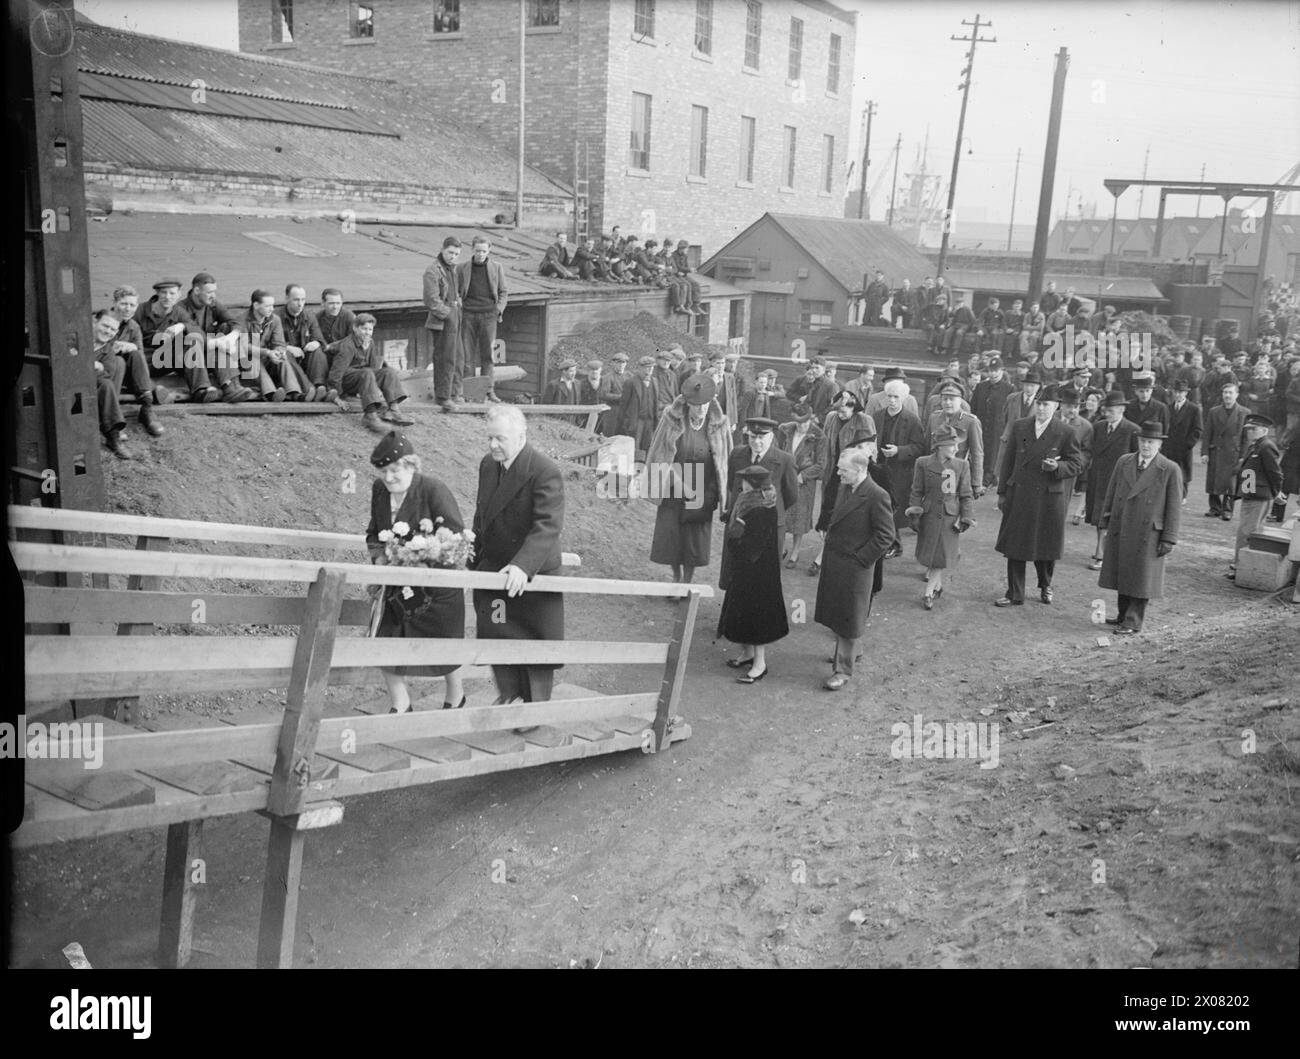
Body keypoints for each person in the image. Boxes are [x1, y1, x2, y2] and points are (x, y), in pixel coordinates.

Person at [365, 430, 467, 713]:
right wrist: (379, 560)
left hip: (436, 587)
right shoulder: (380, 490)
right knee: (384, 642)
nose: (388, 478)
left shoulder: (433, 490)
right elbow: (374, 533)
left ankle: (456, 695)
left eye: (394, 470)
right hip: (397, 586)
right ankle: (401, 703)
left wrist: (420, 554)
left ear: (411, 464)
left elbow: (456, 536)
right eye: (383, 471)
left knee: (444, 646)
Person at [471, 404, 565, 708]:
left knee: (533, 640)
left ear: (521, 436)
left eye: (500, 439)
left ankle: (534, 706)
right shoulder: (488, 465)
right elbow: (483, 514)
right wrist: (472, 553)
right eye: (489, 438)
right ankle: (508, 694)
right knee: (497, 630)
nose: (493, 445)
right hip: (496, 572)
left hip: (531, 574)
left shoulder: (544, 470)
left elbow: (547, 525)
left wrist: (522, 567)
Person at [994, 384, 1085, 606]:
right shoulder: (1020, 426)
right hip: (1020, 494)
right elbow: (1009, 461)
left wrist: (1058, 467)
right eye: (1040, 404)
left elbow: (1077, 463)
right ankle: (1014, 593)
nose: (1042, 408)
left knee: (1045, 547)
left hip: (1048, 497)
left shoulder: (1065, 432)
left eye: (1047, 405)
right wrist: (1002, 491)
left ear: (1056, 408)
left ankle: (1046, 586)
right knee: (1015, 545)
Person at [814, 448, 895, 691]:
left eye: (843, 470)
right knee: (841, 613)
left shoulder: (876, 495)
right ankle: (847, 654)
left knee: (850, 618)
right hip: (837, 562)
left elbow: (886, 535)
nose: (838, 473)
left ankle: (843, 670)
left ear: (860, 470)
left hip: (855, 567)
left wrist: (861, 559)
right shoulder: (846, 487)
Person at [1096, 421, 1182, 634]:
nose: (1146, 446)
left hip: (1149, 533)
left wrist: (1169, 537)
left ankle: (1133, 621)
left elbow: (1174, 507)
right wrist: (1105, 520)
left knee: (1141, 578)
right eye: (1143, 441)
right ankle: (1123, 614)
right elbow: (1112, 492)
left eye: (1151, 442)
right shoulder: (1124, 462)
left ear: (1159, 444)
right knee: (1122, 571)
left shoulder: (1169, 469)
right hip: (1122, 525)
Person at [645, 373, 731, 583]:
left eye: (704, 405)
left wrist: (713, 491)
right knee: (673, 535)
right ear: (687, 403)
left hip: (703, 487)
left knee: (695, 538)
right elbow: (660, 453)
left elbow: (725, 460)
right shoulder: (672, 420)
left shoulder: (720, 424)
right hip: (674, 484)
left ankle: (687, 581)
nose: (700, 409)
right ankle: (676, 577)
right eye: (696, 405)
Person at [717, 464, 789, 683]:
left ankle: (760, 664)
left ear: (754, 484)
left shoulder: (760, 508)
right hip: (747, 569)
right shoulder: (751, 501)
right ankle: (748, 654)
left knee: (757, 616)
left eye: (746, 481)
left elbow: (753, 545)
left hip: (757, 572)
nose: (742, 484)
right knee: (744, 612)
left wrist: (735, 539)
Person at [905, 425, 976, 609]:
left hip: (950, 518)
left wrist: (966, 517)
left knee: (940, 555)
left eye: (956, 444)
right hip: (928, 516)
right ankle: (938, 586)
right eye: (951, 445)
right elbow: (916, 490)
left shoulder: (961, 465)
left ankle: (928, 592)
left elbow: (966, 494)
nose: (956, 448)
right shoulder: (922, 463)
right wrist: (914, 512)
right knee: (932, 554)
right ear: (939, 446)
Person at [812, 389, 876, 573]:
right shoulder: (832, 417)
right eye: (838, 410)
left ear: (854, 409)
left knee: (845, 513)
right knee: (829, 509)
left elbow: (871, 449)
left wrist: (865, 474)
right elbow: (825, 442)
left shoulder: (864, 420)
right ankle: (825, 551)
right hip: (834, 471)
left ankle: (826, 555)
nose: (840, 414)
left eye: (844, 411)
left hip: (854, 473)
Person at [724, 418, 799, 572]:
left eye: (761, 437)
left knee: (763, 575)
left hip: (768, 527)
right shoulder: (737, 454)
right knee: (736, 571)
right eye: (752, 437)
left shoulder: (785, 460)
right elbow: (732, 484)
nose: (757, 442)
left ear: (771, 437)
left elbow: (791, 495)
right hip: (739, 523)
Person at [135, 278, 221, 403]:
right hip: (144, 361)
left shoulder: (178, 312)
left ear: (179, 294)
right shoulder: (140, 310)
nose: (167, 297)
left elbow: (200, 333)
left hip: (166, 360)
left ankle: (200, 390)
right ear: (157, 293)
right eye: (164, 293)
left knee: (191, 341)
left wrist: (183, 326)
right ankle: (157, 393)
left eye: (172, 293)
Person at [175, 271, 257, 403]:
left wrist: (231, 336)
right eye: (209, 292)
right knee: (212, 346)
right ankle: (229, 387)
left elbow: (235, 322)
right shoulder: (180, 309)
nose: (213, 296)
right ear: (196, 290)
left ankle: (232, 388)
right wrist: (218, 342)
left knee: (225, 331)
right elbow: (192, 335)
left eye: (214, 291)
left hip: (209, 353)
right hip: (188, 360)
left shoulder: (213, 304)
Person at [1083, 391, 1141, 569]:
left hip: (1120, 482)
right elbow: (1090, 451)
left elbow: (1137, 459)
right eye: (1106, 410)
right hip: (1098, 479)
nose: (1107, 413)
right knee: (1100, 517)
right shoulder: (1099, 427)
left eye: (1111, 410)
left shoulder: (1132, 430)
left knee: (1112, 518)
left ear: (1122, 409)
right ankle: (1102, 552)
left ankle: (1103, 555)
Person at [870, 376, 927, 558]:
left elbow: (919, 447)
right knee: (878, 505)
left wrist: (899, 451)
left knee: (894, 508)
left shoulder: (912, 420)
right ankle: (884, 541)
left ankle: (894, 544)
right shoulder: (877, 417)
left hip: (900, 472)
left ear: (903, 398)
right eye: (890, 397)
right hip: (878, 469)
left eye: (896, 397)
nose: (892, 401)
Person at [327, 312, 412, 433]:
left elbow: (373, 367)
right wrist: (336, 396)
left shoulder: (370, 342)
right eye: (364, 329)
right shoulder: (347, 345)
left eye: (370, 329)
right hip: (347, 381)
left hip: (364, 378)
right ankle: (370, 416)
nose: (367, 332)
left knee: (388, 372)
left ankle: (393, 410)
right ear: (355, 328)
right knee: (366, 372)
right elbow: (336, 374)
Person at [1228, 414, 1284, 578]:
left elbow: (1275, 473)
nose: (1249, 432)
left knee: (1247, 533)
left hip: (1258, 497)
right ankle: (1242, 566)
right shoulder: (1256, 445)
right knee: (1248, 532)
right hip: (1252, 494)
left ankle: (1241, 567)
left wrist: (1275, 493)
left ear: (1264, 430)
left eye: (1253, 429)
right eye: (1248, 429)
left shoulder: (1266, 446)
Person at [456, 236, 509, 402]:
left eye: (484, 251)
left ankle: (488, 391)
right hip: (468, 315)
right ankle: (469, 392)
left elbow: (503, 292)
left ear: (489, 251)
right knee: (467, 354)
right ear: (472, 249)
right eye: (478, 250)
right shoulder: (462, 268)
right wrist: (459, 305)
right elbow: (457, 292)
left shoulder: (497, 267)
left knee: (489, 355)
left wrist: (497, 309)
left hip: (489, 316)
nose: (480, 254)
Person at [776, 402, 825, 568]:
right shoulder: (786, 429)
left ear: (810, 419)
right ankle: (781, 547)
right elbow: (777, 450)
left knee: (799, 518)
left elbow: (821, 464)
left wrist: (802, 475)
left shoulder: (818, 436)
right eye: (798, 423)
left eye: (805, 423)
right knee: (781, 514)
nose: (802, 426)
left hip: (803, 483)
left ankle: (795, 552)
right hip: (783, 478)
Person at [423, 236, 463, 412]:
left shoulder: (452, 269)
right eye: (450, 252)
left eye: (456, 254)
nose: (453, 256)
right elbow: (431, 300)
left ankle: (454, 393)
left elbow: (455, 293)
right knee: (444, 359)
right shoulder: (432, 271)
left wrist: (458, 307)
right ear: (442, 249)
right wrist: (449, 314)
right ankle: (443, 397)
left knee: (458, 357)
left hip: (455, 314)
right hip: (442, 320)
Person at [926, 380, 985, 493]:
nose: (948, 403)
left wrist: (976, 483)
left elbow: (977, 453)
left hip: (958, 476)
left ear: (960, 401)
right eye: (944, 399)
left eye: (952, 399)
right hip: (934, 473)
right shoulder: (934, 418)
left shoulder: (970, 422)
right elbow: (927, 447)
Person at [1202, 380, 1249, 520]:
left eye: (1230, 393)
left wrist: (1243, 456)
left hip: (1233, 453)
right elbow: (1207, 433)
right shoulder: (1214, 411)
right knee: (1213, 480)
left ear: (1237, 395)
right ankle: (1214, 508)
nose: (1227, 395)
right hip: (1216, 450)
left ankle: (1227, 509)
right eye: (1225, 392)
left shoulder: (1244, 412)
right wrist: (1204, 452)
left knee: (1231, 483)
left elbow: (1246, 438)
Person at [279, 284, 331, 402]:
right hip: (286, 363)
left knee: (317, 350)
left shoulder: (309, 316)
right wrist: (287, 347)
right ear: (286, 298)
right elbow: (269, 343)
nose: (300, 304)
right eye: (296, 300)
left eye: (303, 300)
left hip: (304, 358)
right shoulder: (276, 317)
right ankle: (308, 389)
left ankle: (319, 387)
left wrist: (316, 342)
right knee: (285, 354)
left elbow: (320, 340)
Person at [91, 310, 132, 458]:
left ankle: (113, 436)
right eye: (105, 326)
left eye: (112, 329)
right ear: (95, 322)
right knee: (105, 384)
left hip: (88, 393)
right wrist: (90, 364)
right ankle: (113, 435)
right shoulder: (78, 338)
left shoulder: (108, 352)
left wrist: (97, 368)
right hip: (63, 386)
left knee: (106, 384)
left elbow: (106, 374)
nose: (108, 331)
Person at [971, 355, 1014, 487]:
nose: (993, 373)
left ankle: (988, 479)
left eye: (996, 370)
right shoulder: (981, 387)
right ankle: (978, 477)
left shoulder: (1009, 389)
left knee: (993, 453)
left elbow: (1010, 413)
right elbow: (973, 408)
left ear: (1002, 371)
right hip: (981, 426)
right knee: (979, 451)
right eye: (991, 370)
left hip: (997, 428)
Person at [1163, 378, 1204, 502]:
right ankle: (1168, 495)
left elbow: (1197, 430)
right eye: (1175, 392)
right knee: (1168, 471)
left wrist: (1187, 445)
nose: (1178, 394)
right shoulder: (1168, 408)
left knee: (1183, 473)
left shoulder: (1193, 409)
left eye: (1181, 392)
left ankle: (1182, 496)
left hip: (1184, 448)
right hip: (1169, 447)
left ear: (1186, 393)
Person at [616, 354, 658, 455]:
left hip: (650, 420)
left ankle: (645, 468)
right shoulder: (630, 382)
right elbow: (623, 406)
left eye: (651, 367)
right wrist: (625, 423)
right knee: (634, 447)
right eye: (647, 368)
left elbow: (655, 401)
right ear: (640, 368)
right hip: (636, 421)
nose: (650, 370)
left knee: (648, 446)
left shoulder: (655, 382)